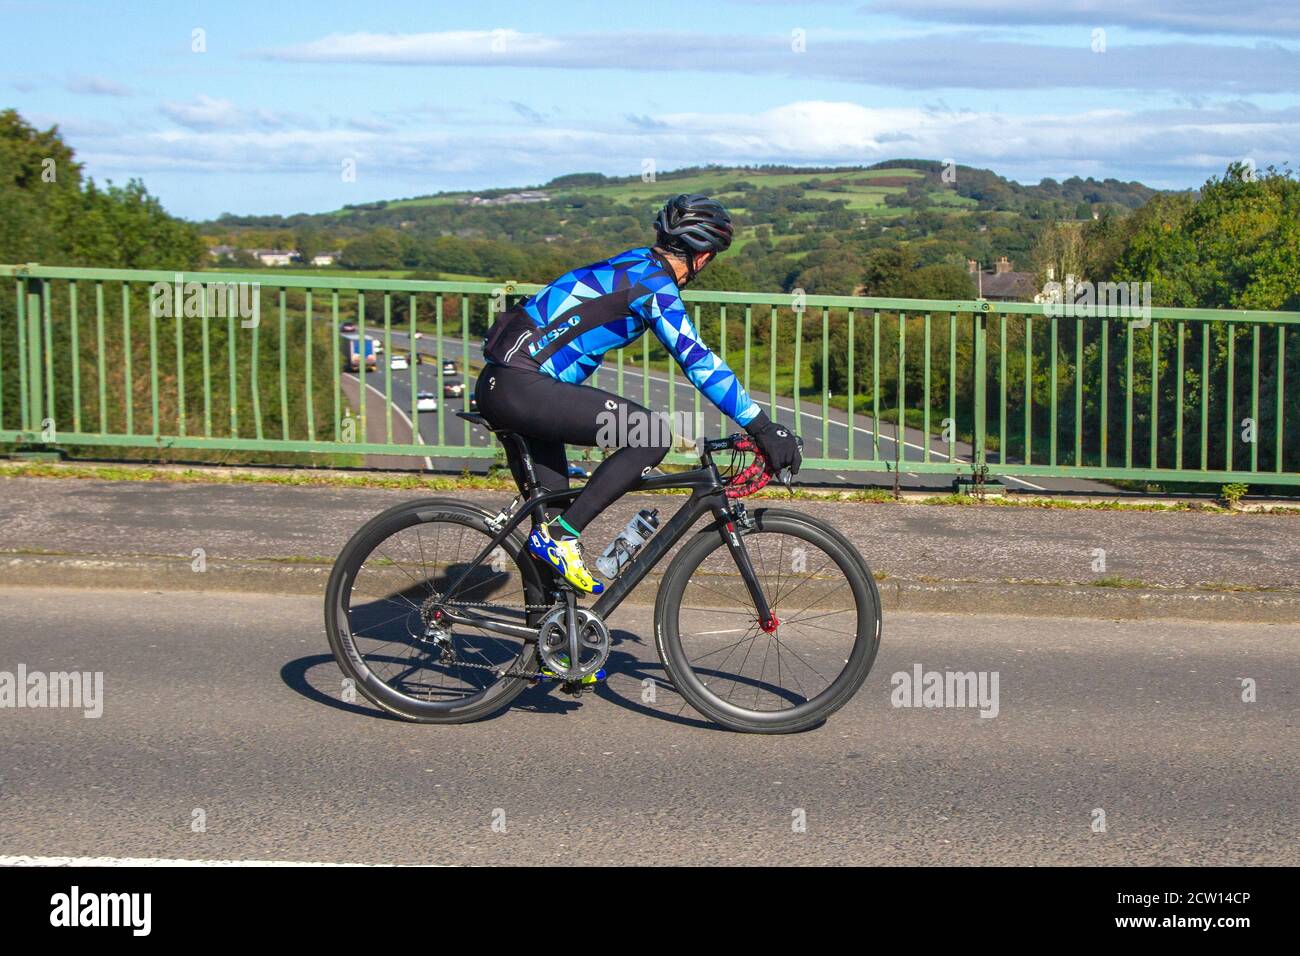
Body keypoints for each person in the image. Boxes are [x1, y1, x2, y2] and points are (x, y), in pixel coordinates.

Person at [475, 193, 801, 594]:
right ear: (703, 257)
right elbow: (697, 359)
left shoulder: (633, 263)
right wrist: (763, 426)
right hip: (523, 386)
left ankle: (548, 652)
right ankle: (562, 536)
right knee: (650, 434)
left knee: (551, 524)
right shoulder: (653, 285)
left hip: (507, 383)